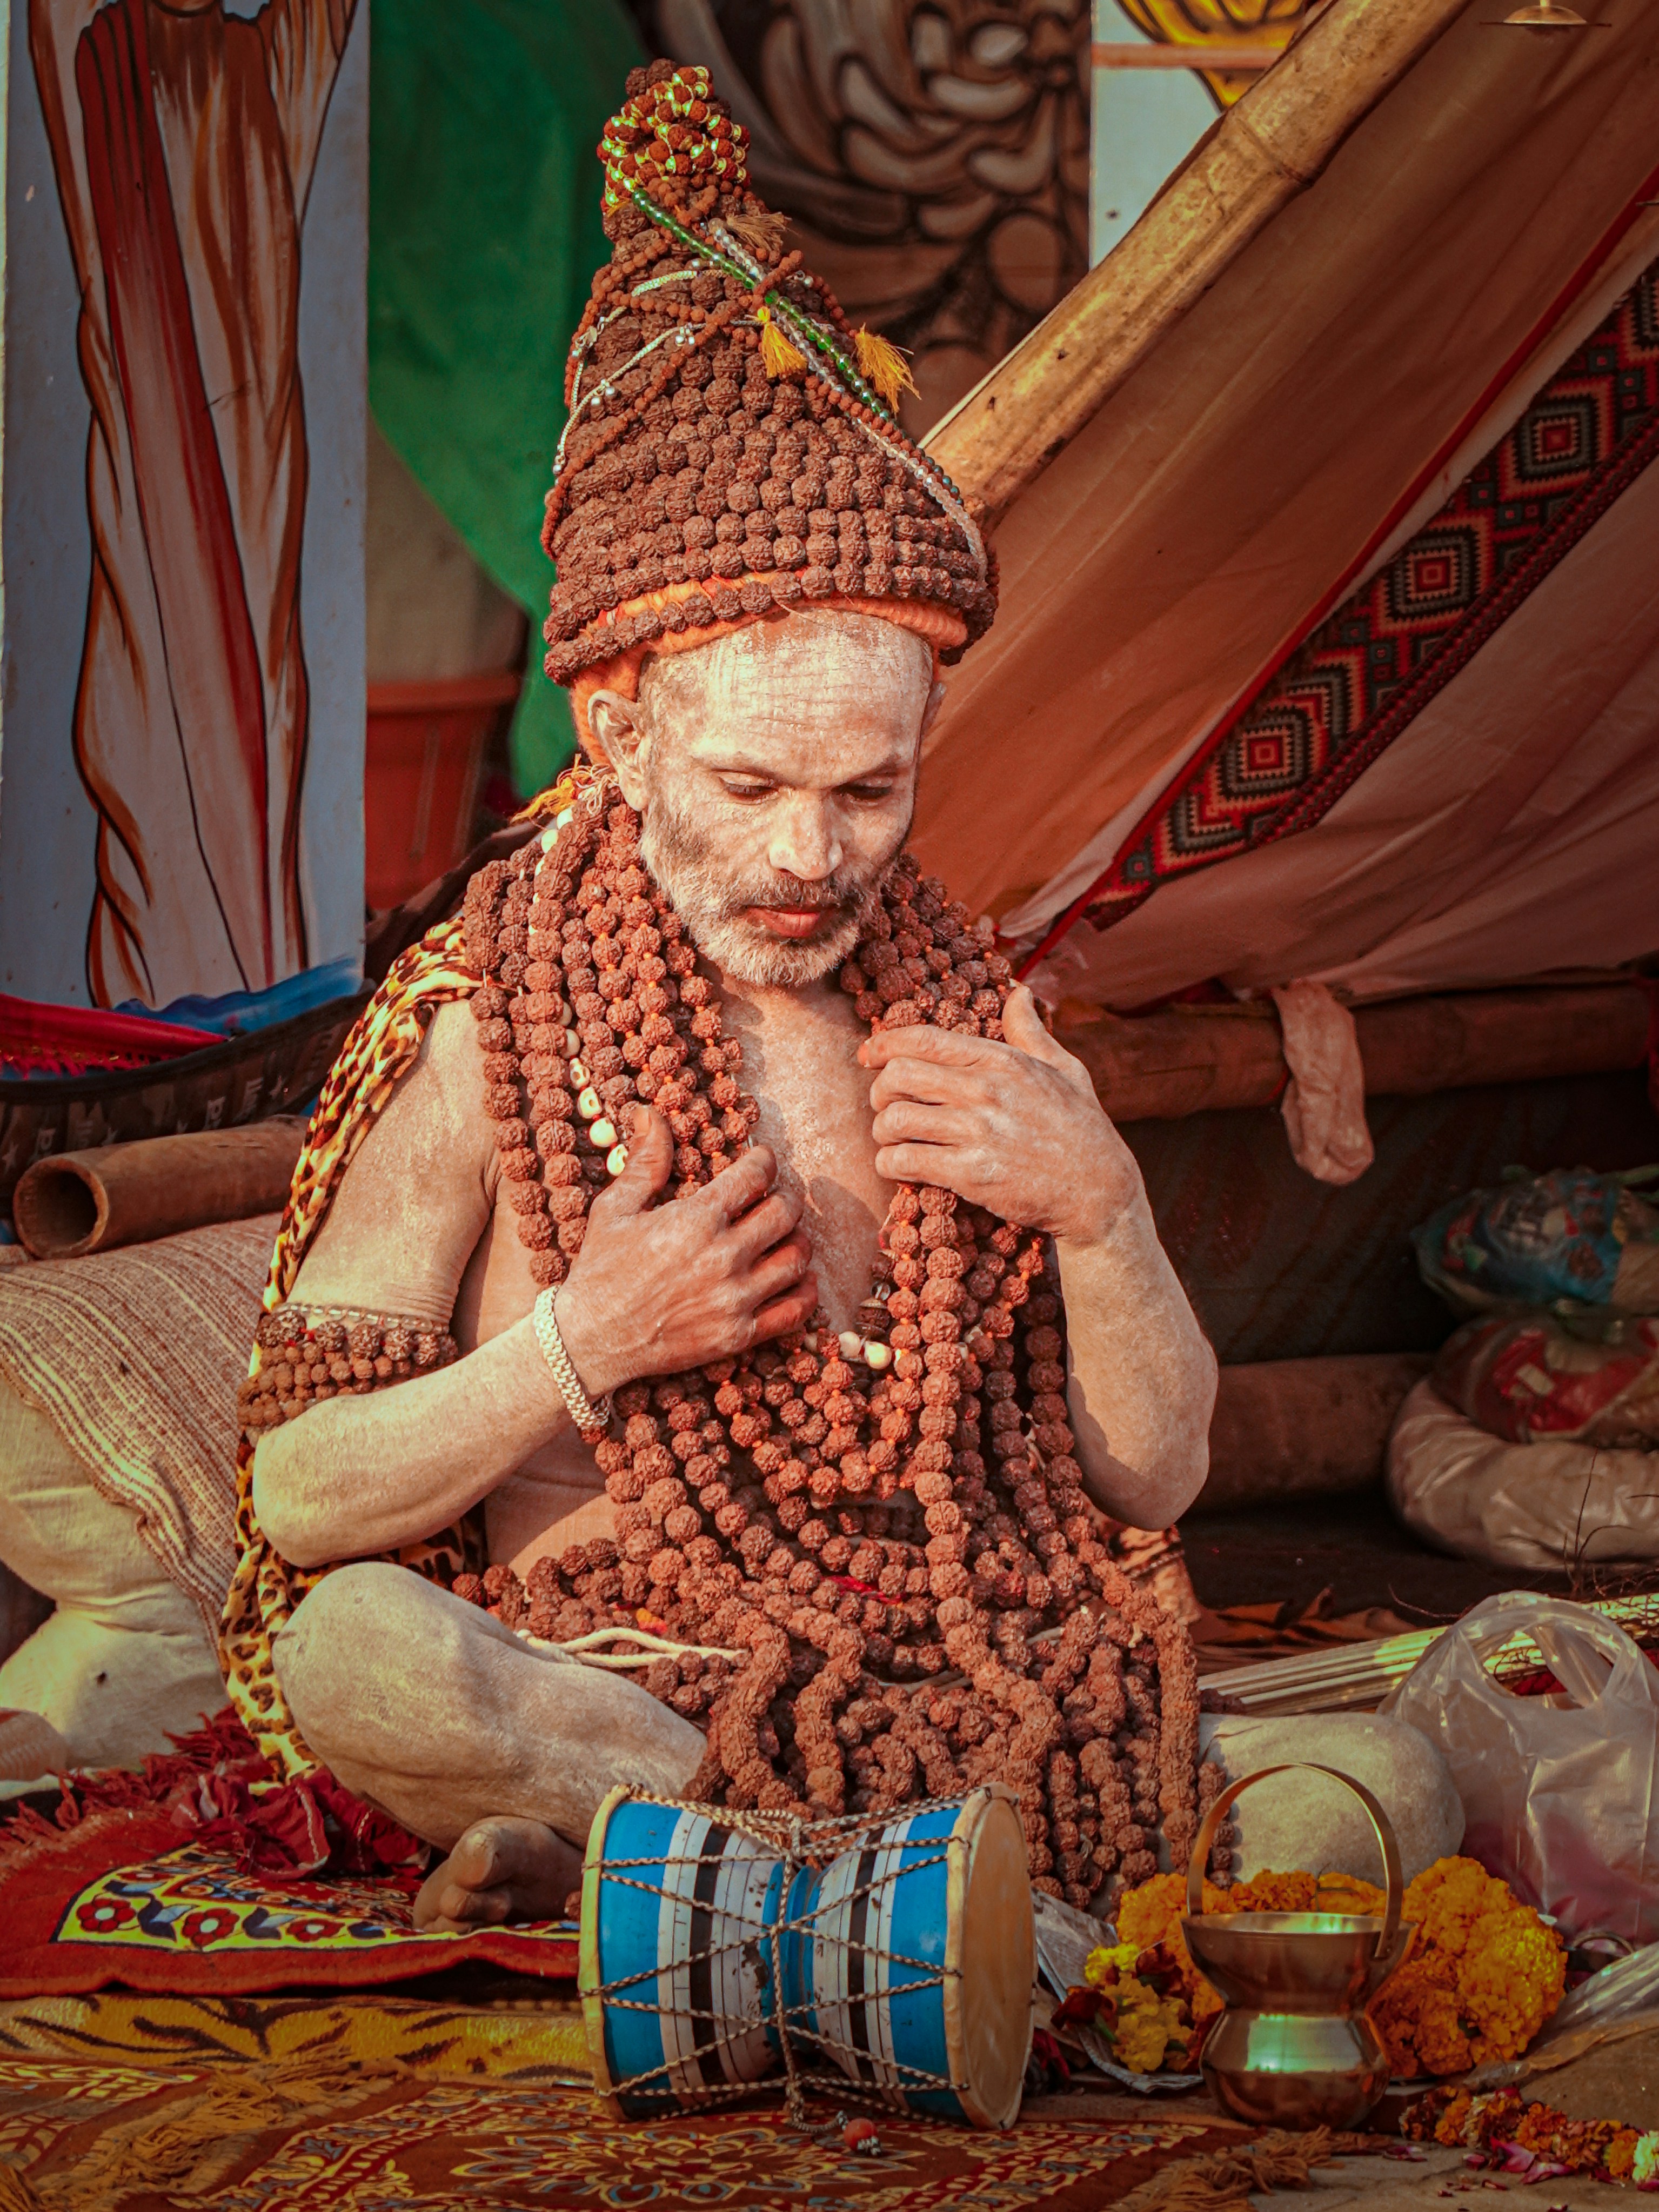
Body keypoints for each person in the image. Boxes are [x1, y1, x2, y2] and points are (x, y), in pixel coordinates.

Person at [219, 60, 1218, 1933]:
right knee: (366, 1654)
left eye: (870, 793)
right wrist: (583, 1342)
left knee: (1402, 1746)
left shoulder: (972, 1010)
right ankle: (838, 1868)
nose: (812, 858)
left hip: (987, 1663)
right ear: (618, 728)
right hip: (629, 1679)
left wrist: (1108, 1212)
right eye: (753, 788)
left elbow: (1152, 1476)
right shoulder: (481, 1022)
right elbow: (298, 1501)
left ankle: (785, 1884)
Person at [30, 0, 354, 1004]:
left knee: (244, 681)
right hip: (171, 432)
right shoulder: (109, 58)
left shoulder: (266, 67)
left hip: (244, 467)